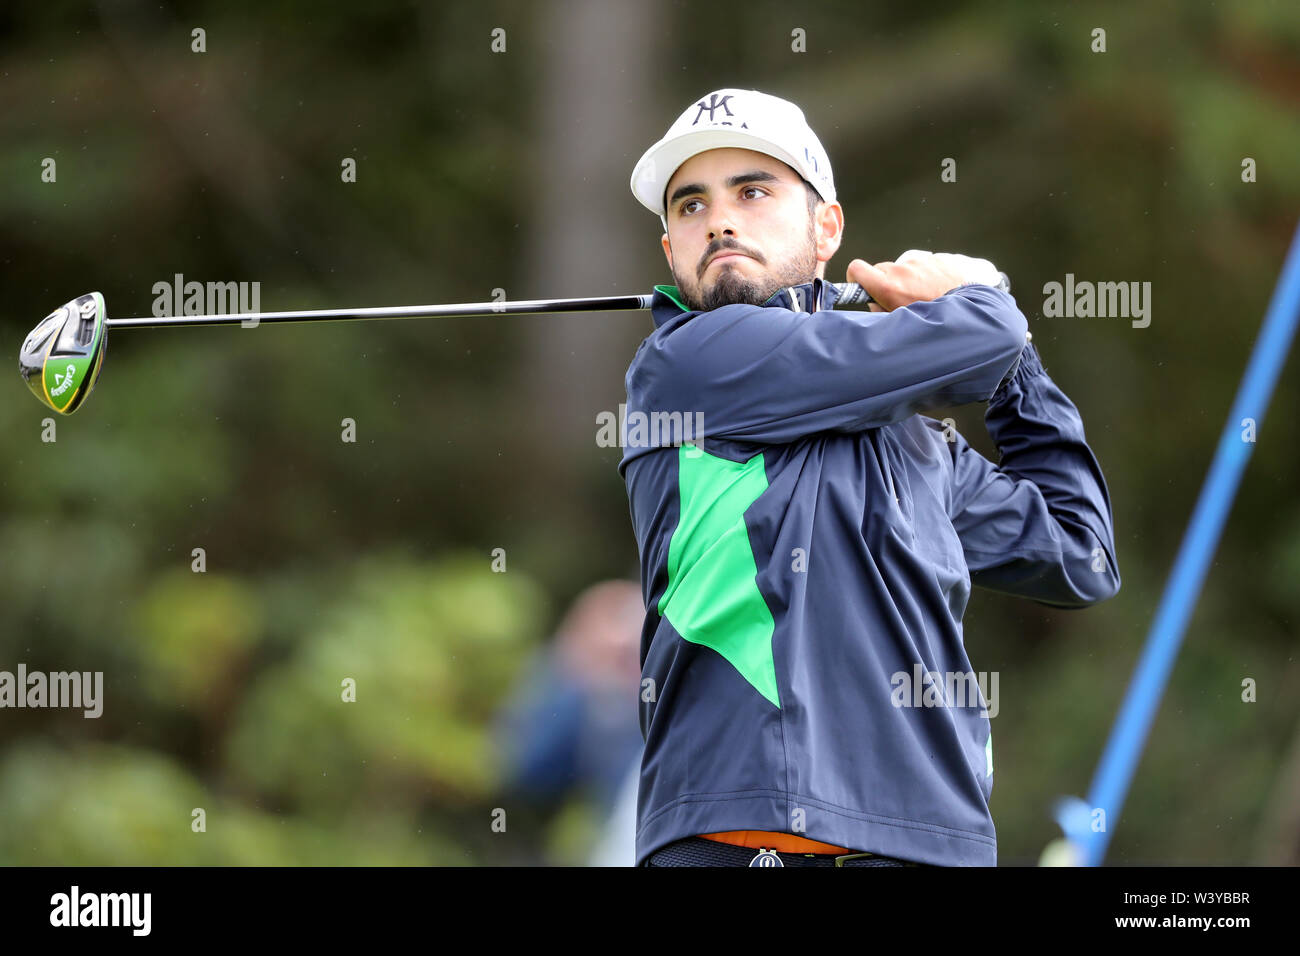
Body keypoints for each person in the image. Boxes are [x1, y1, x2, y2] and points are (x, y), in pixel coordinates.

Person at [618, 88, 1121, 867]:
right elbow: (977, 333)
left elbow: (1080, 553)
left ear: (827, 229)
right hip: (742, 836)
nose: (719, 220)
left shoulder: (919, 443)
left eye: (753, 191)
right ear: (671, 255)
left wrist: (1018, 365)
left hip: (929, 841)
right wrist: (982, 301)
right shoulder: (686, 366)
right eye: (691, 206)